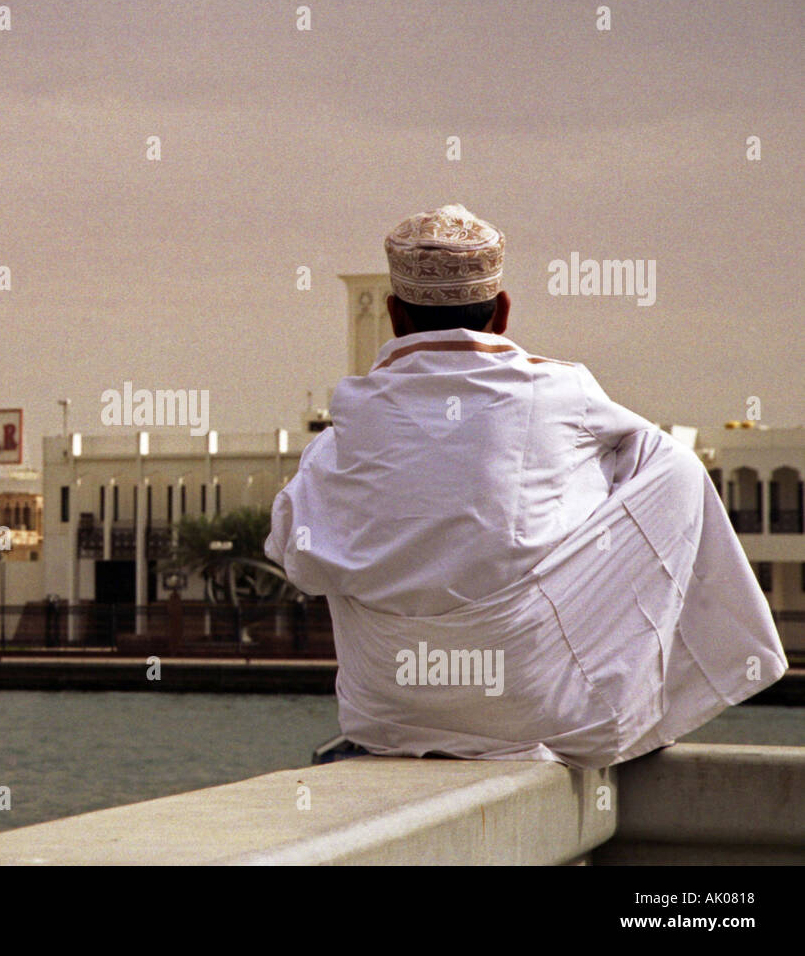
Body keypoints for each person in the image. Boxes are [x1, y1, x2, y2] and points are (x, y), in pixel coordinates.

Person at [266, 204, 787, 769]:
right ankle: (636, 710)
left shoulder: (346, 423)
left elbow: (295, 555)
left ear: (394, 314)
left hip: (385, 710)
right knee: (678, 469)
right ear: (503, 311)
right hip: (533, 703)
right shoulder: (563, 391)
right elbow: (660, 472)